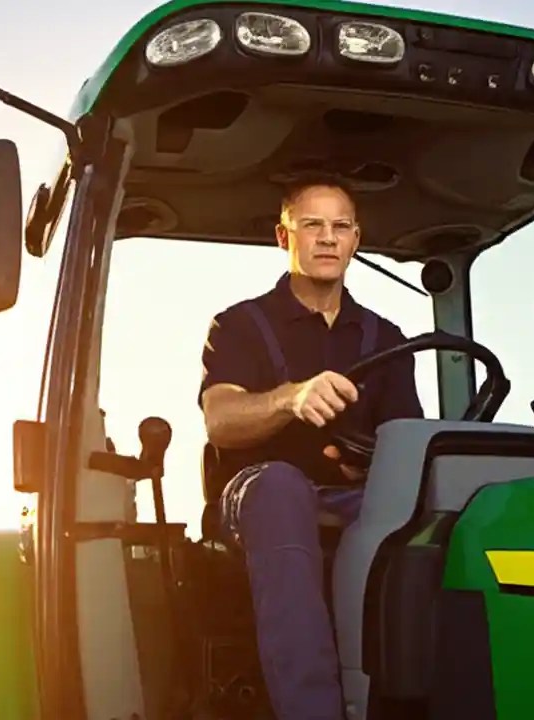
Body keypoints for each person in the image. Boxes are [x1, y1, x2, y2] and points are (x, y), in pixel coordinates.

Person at [197, 172, 423, 719]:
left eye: (340, 227)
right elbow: (220, 420)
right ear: (284, 237)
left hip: (353, 496)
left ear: (356, 239)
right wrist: (290, 399)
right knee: (279, 486)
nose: (328, 238)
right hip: (255, 498)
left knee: (441, 505)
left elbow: (405, 440)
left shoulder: (386, 337)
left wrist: (364, 465)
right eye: (313, 225)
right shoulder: (239, 325)